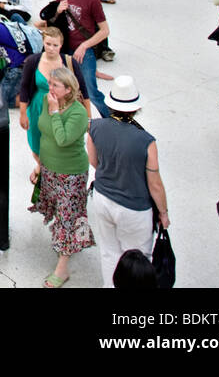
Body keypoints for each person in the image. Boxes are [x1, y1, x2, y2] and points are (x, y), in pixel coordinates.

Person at [86, 76, 170, 288]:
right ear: (135, 107)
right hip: (135, 209)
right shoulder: (146, 141)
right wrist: (163, 212)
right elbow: (155, 184)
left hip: (103, 198)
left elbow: (94, 162)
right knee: (138, 261)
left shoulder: (95, 127)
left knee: (108, 253)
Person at [30, 67, 94, 288]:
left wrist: (56, 112)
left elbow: (62, 139)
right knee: (60, 211)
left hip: (71, 174)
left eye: (55, 85)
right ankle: (70, 243)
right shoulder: (48, 103)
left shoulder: (78, 113)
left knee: (67, 217)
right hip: (50, 168)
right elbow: (42, 134)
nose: (51, 89)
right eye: (50, 84)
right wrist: (39, 166)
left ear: (68, 89)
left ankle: (62, 268)